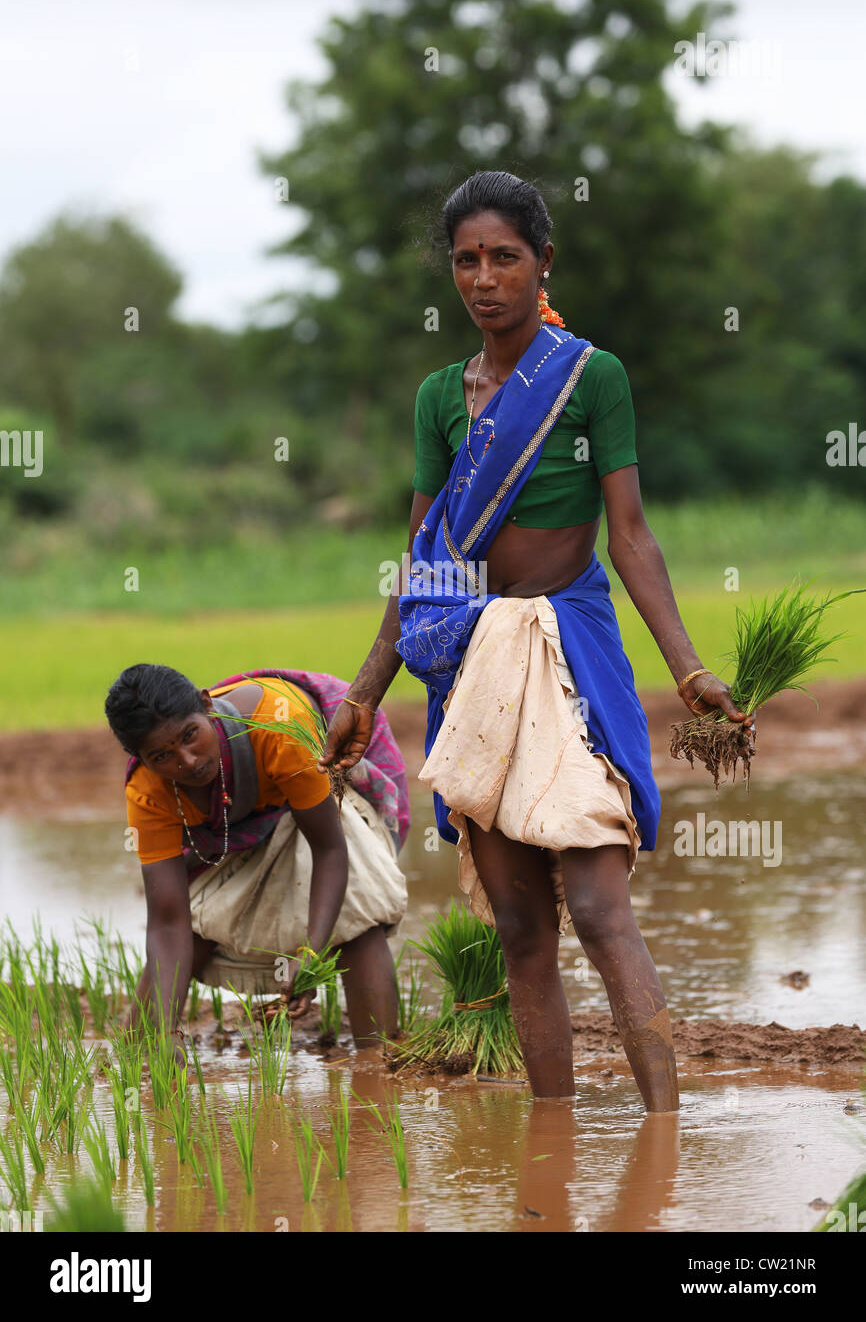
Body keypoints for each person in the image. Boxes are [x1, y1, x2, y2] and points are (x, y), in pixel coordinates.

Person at [319, 170, 755, 1110]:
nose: (484, 278)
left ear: (543, 262)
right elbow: (425, 560)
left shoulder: (592, 377)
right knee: (520, 927)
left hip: (572, 651)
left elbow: (631, 533)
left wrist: (689, 666)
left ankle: (662, 1142)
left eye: (504, 258)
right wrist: (360, 693)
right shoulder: (441, 396)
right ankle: (550, 1143)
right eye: (467, 260)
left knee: (601, 910)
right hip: (476, 663)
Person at [105, 664, 410, 1063]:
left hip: (321, 795)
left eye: (190, 735)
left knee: (358, 918)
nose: (188, 760)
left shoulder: (279, 729)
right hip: (235, 828)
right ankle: (135, 1060)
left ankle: (379, 1063)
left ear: (206, 704)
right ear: (139, 758)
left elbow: (330, 850)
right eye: (162, 755)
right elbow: (168, 920)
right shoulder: (148, 790)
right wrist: (166, 1030)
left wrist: (311, 954)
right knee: (192, 931)